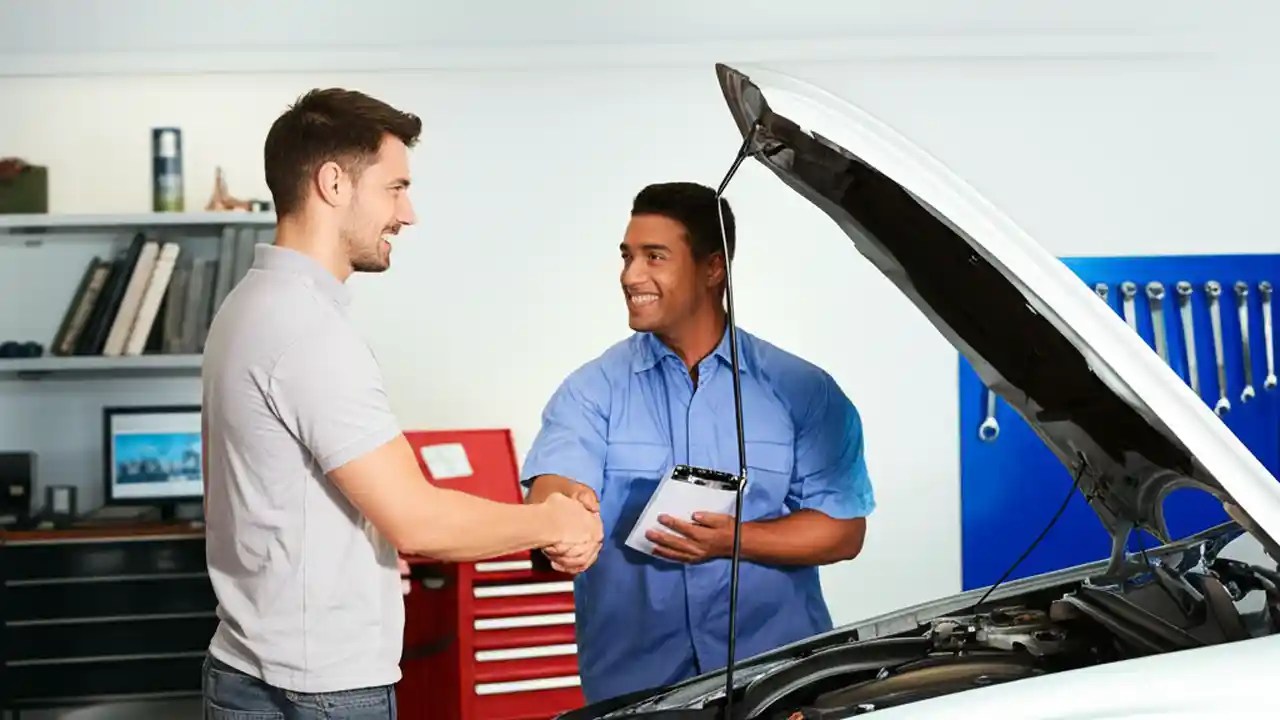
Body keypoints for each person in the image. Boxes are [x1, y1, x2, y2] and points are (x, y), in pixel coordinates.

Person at [199, 88, 603, 718]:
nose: (408, 213)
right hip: (322, 689)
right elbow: (419, 521)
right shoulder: (308, 332)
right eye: (395, 187)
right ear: (334, 183)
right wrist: (555, 520)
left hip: (249, 664)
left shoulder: (246, 307)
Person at [521, 181, 876, 703]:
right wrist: (561, 513)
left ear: (713, 269)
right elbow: (554, 487)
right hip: (636, 694)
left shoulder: (803, 392)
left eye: (654, 257)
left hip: (778, 684)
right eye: (627, 256)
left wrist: (734, 539)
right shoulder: (592, 390)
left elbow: (843, 531)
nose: (630, 275)